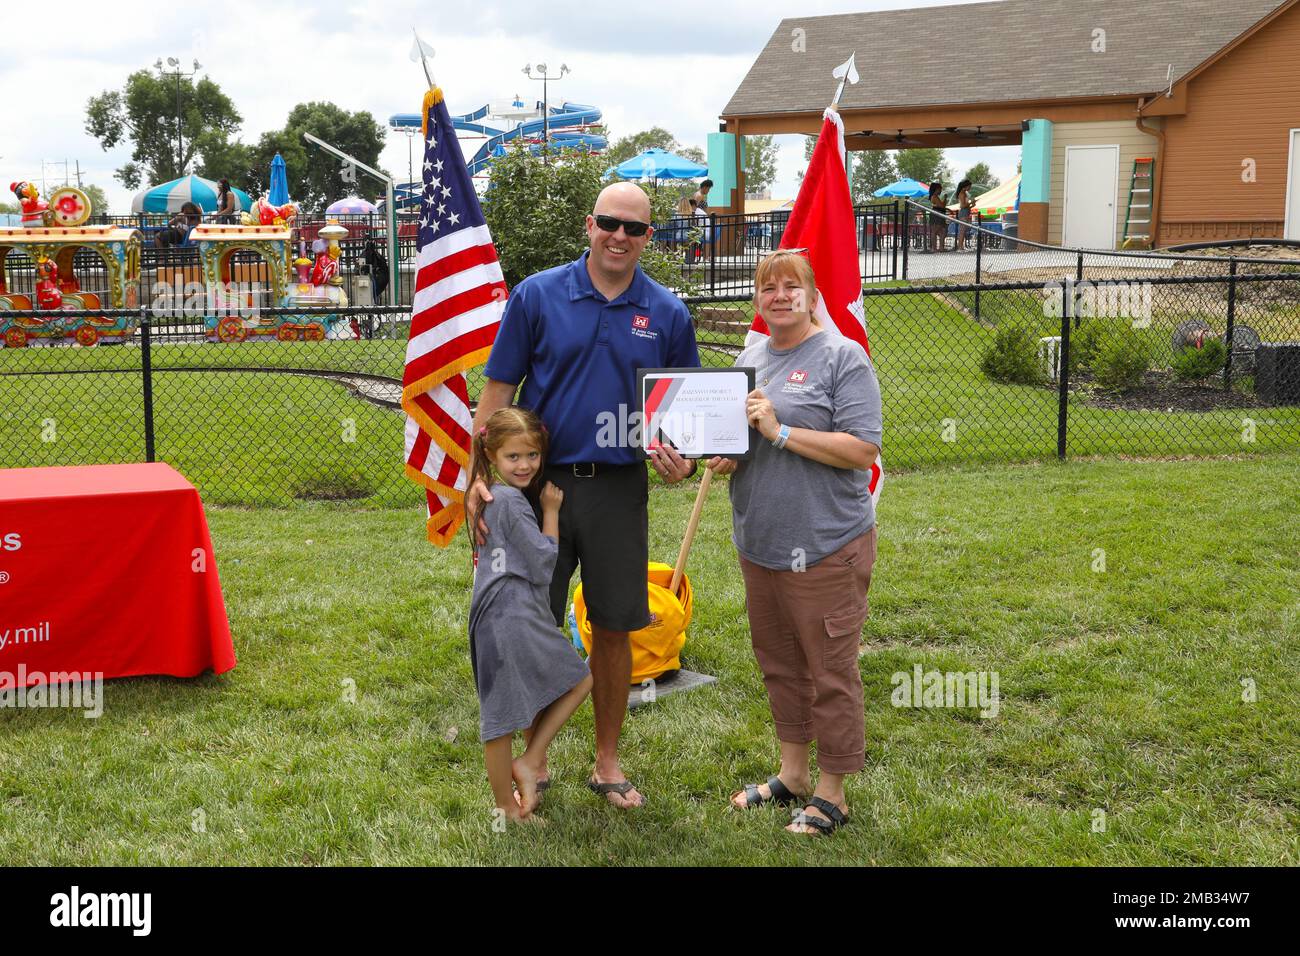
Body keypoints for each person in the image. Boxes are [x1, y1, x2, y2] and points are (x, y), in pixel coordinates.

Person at [467, 181, 701, 810]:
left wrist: (681, 460)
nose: (619, 236)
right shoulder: (538, 294)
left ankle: (606, 760)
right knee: (527, 622)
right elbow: (498, 388)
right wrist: (476, 476)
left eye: (635, 228)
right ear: (588, 226)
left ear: (650, 237)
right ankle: (531, 756)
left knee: (617, 625)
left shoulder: (669, 313)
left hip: (619, 489)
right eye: (608, 223)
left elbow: (682, 417)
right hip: (534, 487)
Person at [707, 250, 882, 836]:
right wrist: (719, 452)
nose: (779, 295)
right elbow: (742, 441)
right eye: (767, 287)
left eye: (791, 287)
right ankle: (793, 775)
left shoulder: (841, 356)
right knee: (780, 665)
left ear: (812, 296)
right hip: (762, 543)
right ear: (756, 299)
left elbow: (862, 449)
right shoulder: (750, 356)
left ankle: (832, 793)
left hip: (827, 544)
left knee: (830, 669)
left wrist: (780, 431)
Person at [466, 407, 593, 821]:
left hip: (495, 618)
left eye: (532, 456)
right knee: (574, 682)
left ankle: (524, 770)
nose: (524, 465)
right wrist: (552, 512)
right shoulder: (511, 502)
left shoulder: (488, 496)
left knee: (505, 711)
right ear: (492, 455)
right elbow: (542, 565)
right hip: (512, 618)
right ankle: (509, 801)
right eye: (513, 457)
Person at [954, 179, 974, 249]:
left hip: (966, 212)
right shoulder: (962, 194)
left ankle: (961, 246)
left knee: (963, 230)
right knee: (962, 230)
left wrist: (972, 205)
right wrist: (971, 203)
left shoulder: (965, 193)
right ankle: (960, 246)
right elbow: (962, 206)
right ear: (966, 186)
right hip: (963, 213)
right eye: (969, 186)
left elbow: (966, 205)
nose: (970, 188)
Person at [928, 181, 948, 252]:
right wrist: (945, 199)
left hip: (939, 214)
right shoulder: (934, 196)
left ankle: (941, 247)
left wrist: (945, 199)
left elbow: (942, 205)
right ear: (936, 189)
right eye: (940, 189)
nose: (940, 191)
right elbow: (942, 206)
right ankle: (934, 248)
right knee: (935, 231)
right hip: (937, 214)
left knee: (942, 231)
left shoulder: (936, 197)